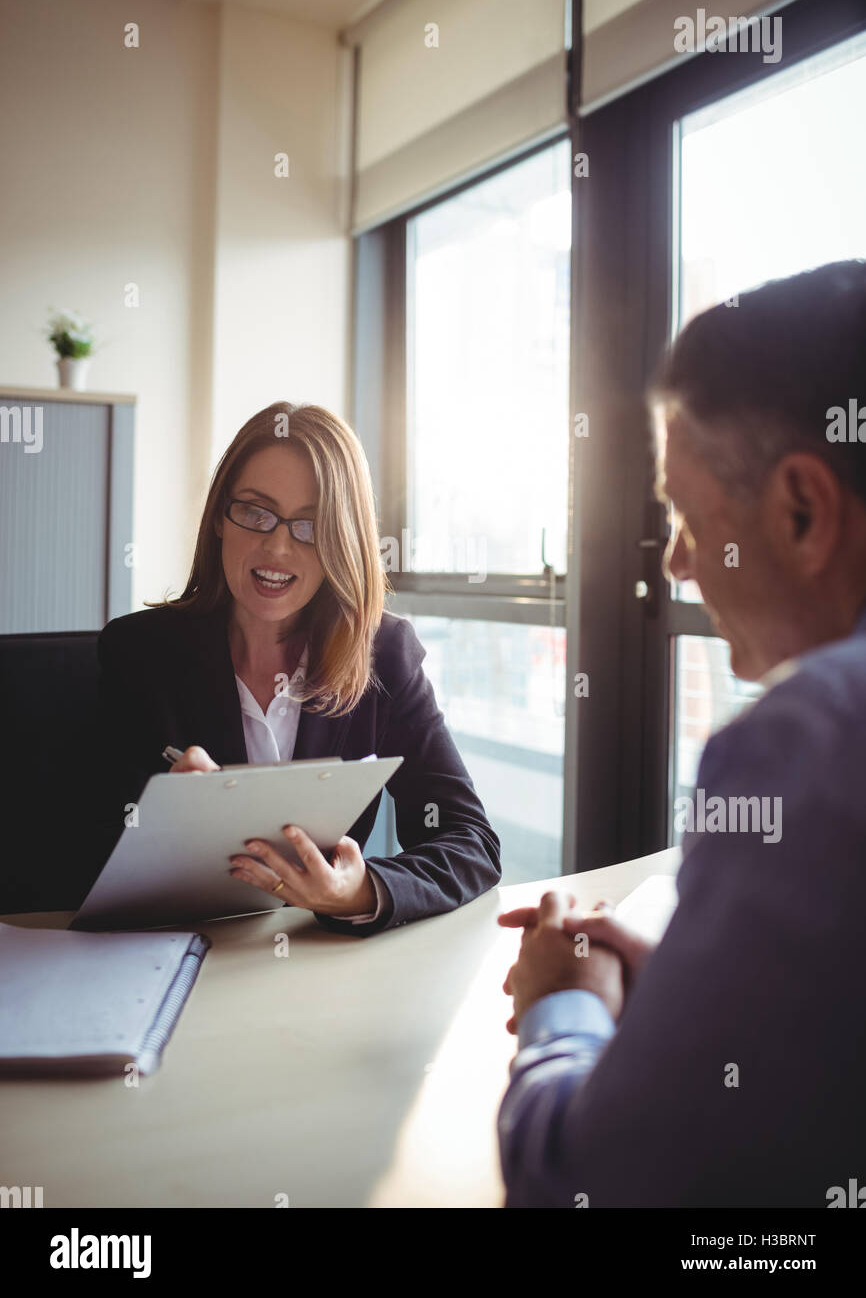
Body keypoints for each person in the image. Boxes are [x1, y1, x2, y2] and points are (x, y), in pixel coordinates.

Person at [497, 259, 866, 1206]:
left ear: (802, 511)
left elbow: (588, 1181)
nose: (677, 562)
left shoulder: (806, 744)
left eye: (684, 514)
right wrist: (698, 972)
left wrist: (561, 1001)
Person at [94, 401, 500, 935]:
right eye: (256, 512)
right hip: (175, 959)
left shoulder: (385, 652)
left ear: (342, 537)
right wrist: (170, 824)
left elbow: (470, 841)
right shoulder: (138, 652)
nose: (277, 546)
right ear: (221, 516)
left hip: (315, 961)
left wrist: (361, 890)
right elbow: (84, 851)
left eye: (309, 525)